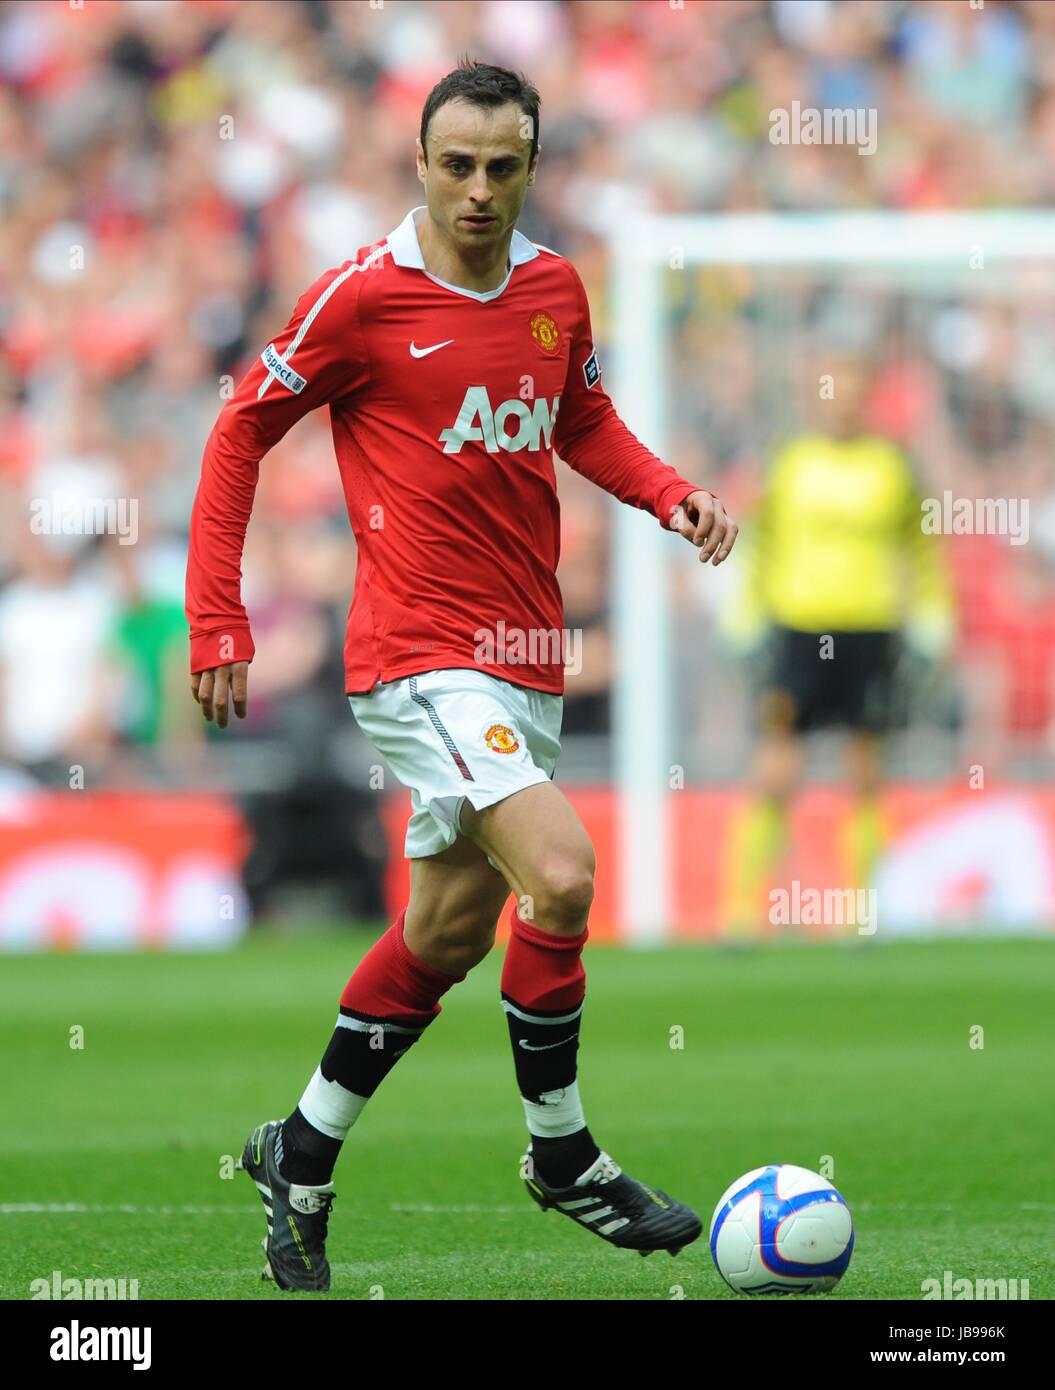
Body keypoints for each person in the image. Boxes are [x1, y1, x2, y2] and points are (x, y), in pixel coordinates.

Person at [185, 60, 737, 1292]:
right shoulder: (361, 298)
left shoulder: (553, 289)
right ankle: (563, 1156)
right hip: (416, 653)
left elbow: (576, 416)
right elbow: (239, 429)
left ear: (531, 165)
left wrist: (669, 494)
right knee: (562, 871)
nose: (478, 189)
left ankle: (300, 1148)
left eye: (502, 165)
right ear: (419, 163)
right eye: (455, 164)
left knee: (442, 930)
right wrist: (218, 616)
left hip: (521, 653)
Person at [719, 353, 953, 935]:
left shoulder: (893, 467)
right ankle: (742, 913)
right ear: (816, 396)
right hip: (799, 632)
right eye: (834, 391)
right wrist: (745, 618)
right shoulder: (789, 464)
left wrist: (933, 617)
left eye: (855, 391)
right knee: (776, 769)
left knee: (867, 772)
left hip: (871, 633)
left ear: (867, 396)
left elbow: (923, 550)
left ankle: (860, 914)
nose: (844, 401)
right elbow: (760, 546)